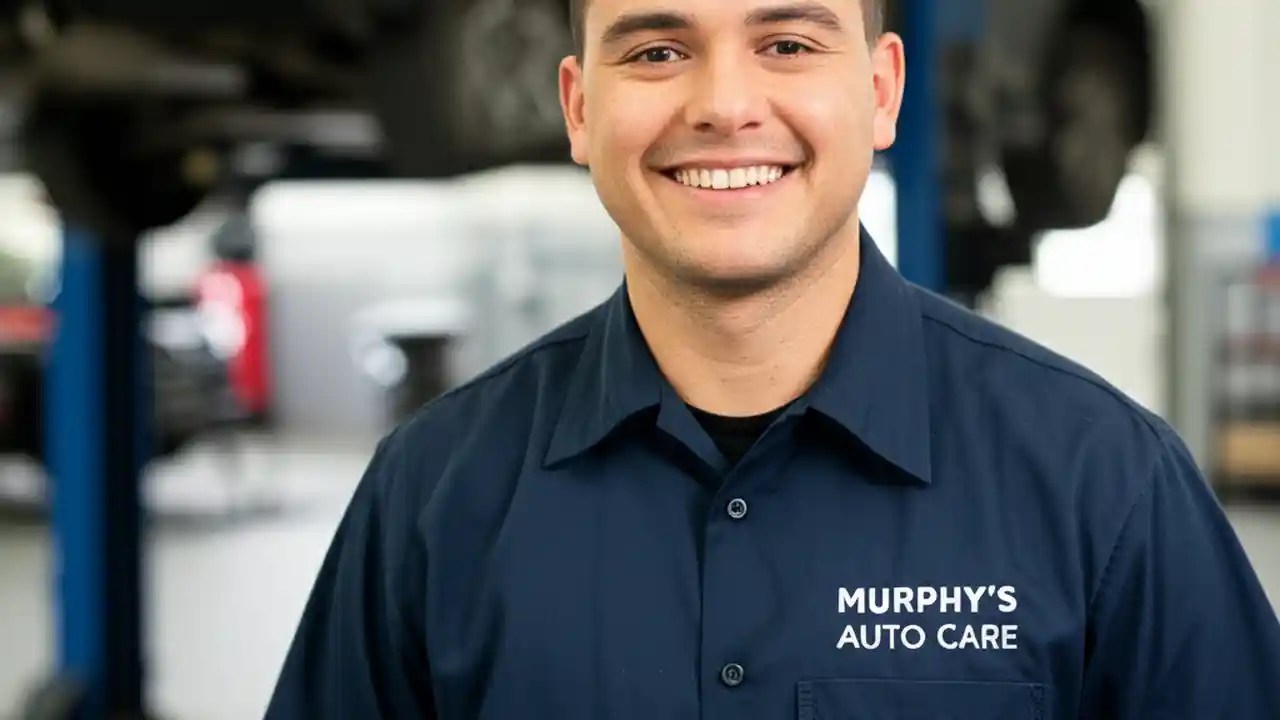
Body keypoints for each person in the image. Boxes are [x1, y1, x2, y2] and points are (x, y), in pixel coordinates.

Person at [265, 0, 1280, 716]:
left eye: (787, 42)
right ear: (578, 109)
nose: (723, 104)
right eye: (656, 52)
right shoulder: (434, 498)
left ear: (879, 91)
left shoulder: (1098, 485)